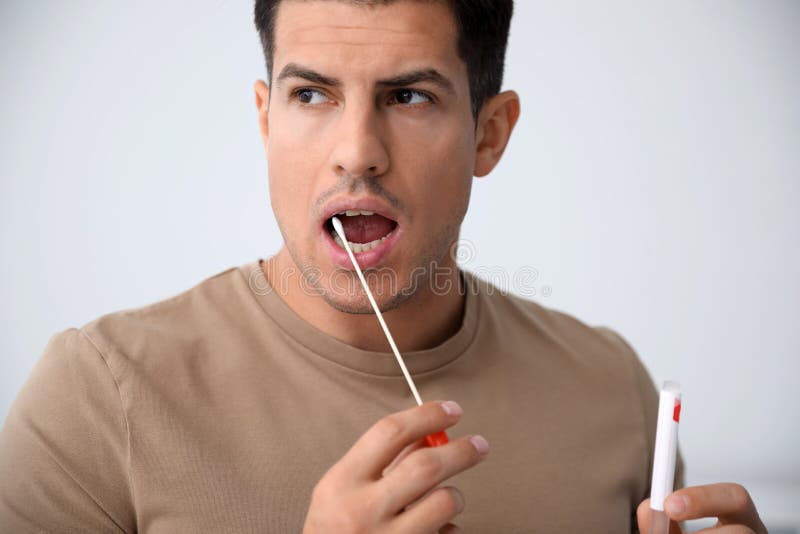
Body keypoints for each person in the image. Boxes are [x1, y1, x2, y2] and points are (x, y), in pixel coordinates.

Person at [0, 1, 768, 532]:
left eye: (407, 96)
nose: (357, 151)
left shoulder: (613, 390)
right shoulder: (97, 398)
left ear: (489, 135)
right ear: (266, 121)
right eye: (312, 94)